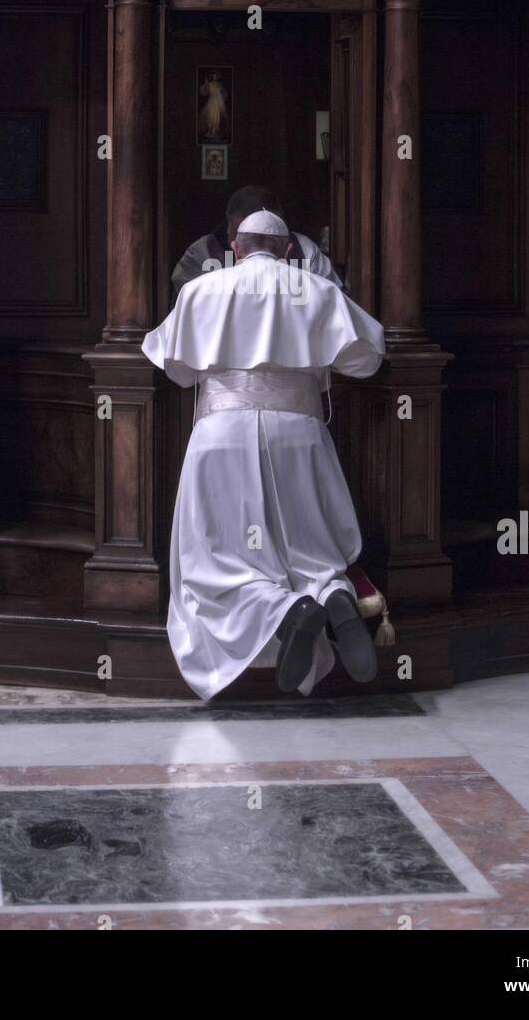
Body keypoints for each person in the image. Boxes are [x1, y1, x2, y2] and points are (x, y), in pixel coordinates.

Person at [142, 208, 386, 699]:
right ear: (289, 250)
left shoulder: (200, 291)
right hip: (298, 431)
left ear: (234, 246)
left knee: (217, 554)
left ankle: (285, 611)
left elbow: (177, 370)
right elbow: (365, 359)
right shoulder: (317, 290)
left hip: (222, 433)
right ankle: (333, 594)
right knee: (308, 542)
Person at [171, 184, 341, 295]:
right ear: (229, 225)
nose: (255, 249)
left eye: (265, 237)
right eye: (244, 234)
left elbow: (331, 299)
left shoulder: (305, 251)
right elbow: (186, 305)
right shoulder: (204, 251)